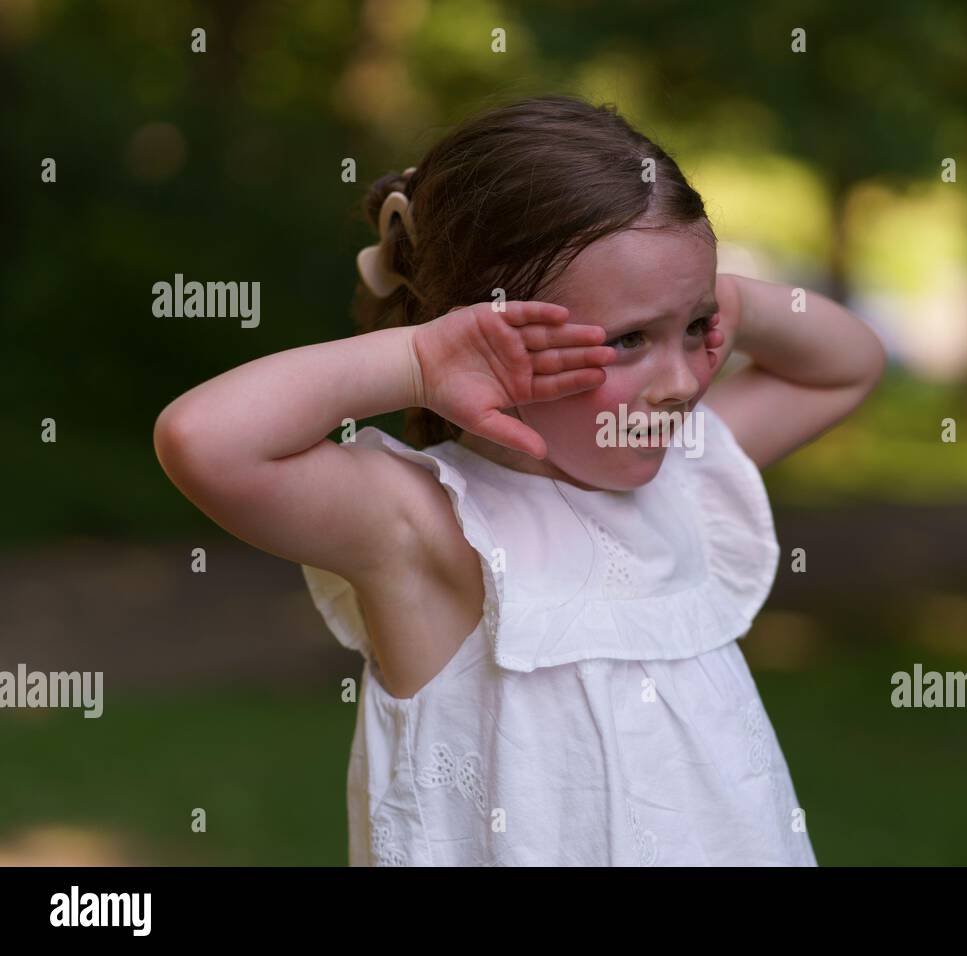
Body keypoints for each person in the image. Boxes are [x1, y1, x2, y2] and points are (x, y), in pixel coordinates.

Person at [154, 94, 885, 866]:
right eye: (629, 339)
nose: (678, 379)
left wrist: (708, 298)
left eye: (696, 331)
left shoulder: (683, 475)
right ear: (489, 335)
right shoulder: (427, 529)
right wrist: (418, 361)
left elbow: (844, 367)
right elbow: (204, 440)